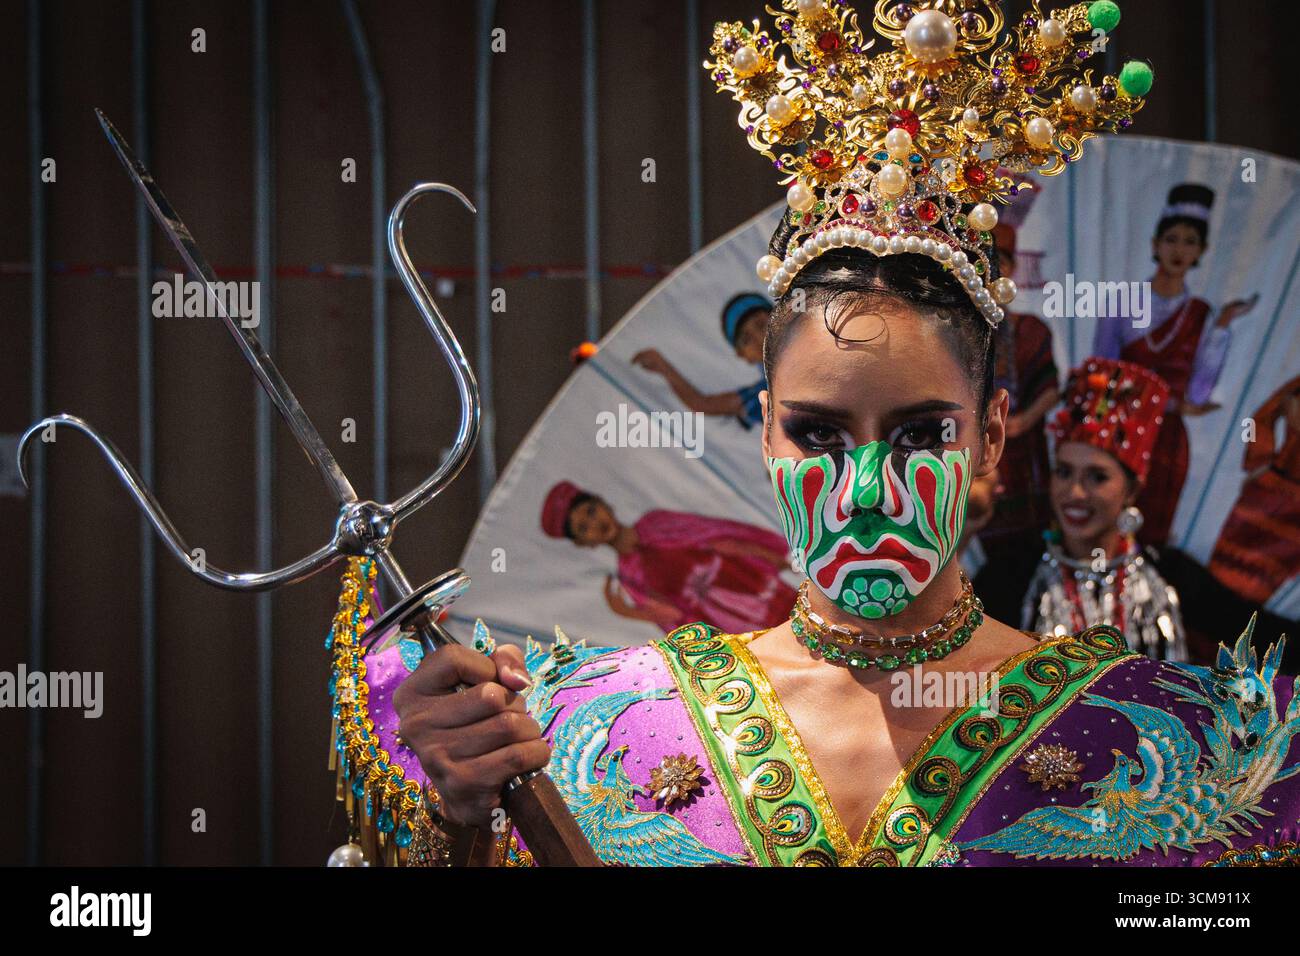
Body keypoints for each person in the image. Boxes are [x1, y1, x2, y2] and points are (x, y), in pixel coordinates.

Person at [353, 3, 1299, 868]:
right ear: (765, 435)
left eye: (922, 432)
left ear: (992, 438)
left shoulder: (1163, 744)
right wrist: (463, 822)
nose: (867, 488)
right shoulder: (590, 730)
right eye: (819, 433)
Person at [1092, 183, 1259, 546]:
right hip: (1123, 428)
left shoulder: (1201, 314)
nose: (1179, 249)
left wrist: (1222, 328)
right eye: (1171, 239)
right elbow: (1101, 376)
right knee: (1110, 520)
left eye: (1189, 241)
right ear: (1155, 244)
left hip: (1168, 439)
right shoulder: (1122, 302)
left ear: (1201, 251)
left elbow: (1198, 391)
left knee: (1154, 528)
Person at [1021, 358, 1188, 660]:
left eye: (1097, 477)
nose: (1074, 493)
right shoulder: (1011, 576)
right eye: (1063, 472)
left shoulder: (1172, 576)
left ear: (1132, 490)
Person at [539, 479, 796, 634]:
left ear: (603, 503)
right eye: (584, 529)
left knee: (809, 621)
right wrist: (627, 611)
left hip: (749, 582)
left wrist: (768, 554)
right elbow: (673, 618)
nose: (595, 523)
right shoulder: (630, 577)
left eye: (592, 511)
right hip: (726, 621)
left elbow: (717, 538)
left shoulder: (655, 522)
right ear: (585, 543)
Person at [978, 223, 1058, 551]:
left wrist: (1023, 422)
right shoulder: (954, 333)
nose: (992, 269)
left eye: (1001, 261)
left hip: (1024, 457)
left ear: (1010, 269)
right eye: (984, 259)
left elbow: (1051, 387)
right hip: (976, 456)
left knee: (1028, 550)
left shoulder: (1031, 330)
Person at [631, 293, 772, 429]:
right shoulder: (764, 394)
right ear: (743, 355)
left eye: (761, 324)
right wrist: (663, 367)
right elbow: (703, 404)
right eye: (746, 340)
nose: (760, 338)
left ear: (780, 315)